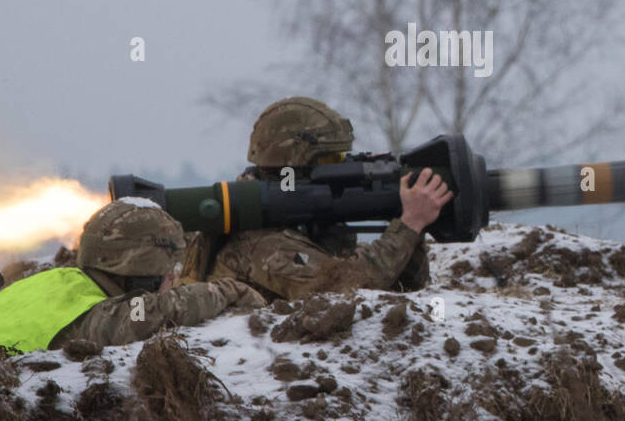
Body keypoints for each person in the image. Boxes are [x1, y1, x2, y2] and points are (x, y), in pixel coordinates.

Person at [178, 96, 451, 301]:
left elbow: (400, 292)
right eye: (331, 159)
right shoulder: (261, 242)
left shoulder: (302, 223)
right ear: (291, 165)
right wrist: (408, 226)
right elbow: (347, 292)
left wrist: (409, 229)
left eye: (342, 158)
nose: (342, 167)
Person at [0, 198, 264, 353]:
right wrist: (230, 291)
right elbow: (150, 314)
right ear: (139, 269)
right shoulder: (94, 316)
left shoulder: (49, 283)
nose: (173, 278)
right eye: (168, 269)